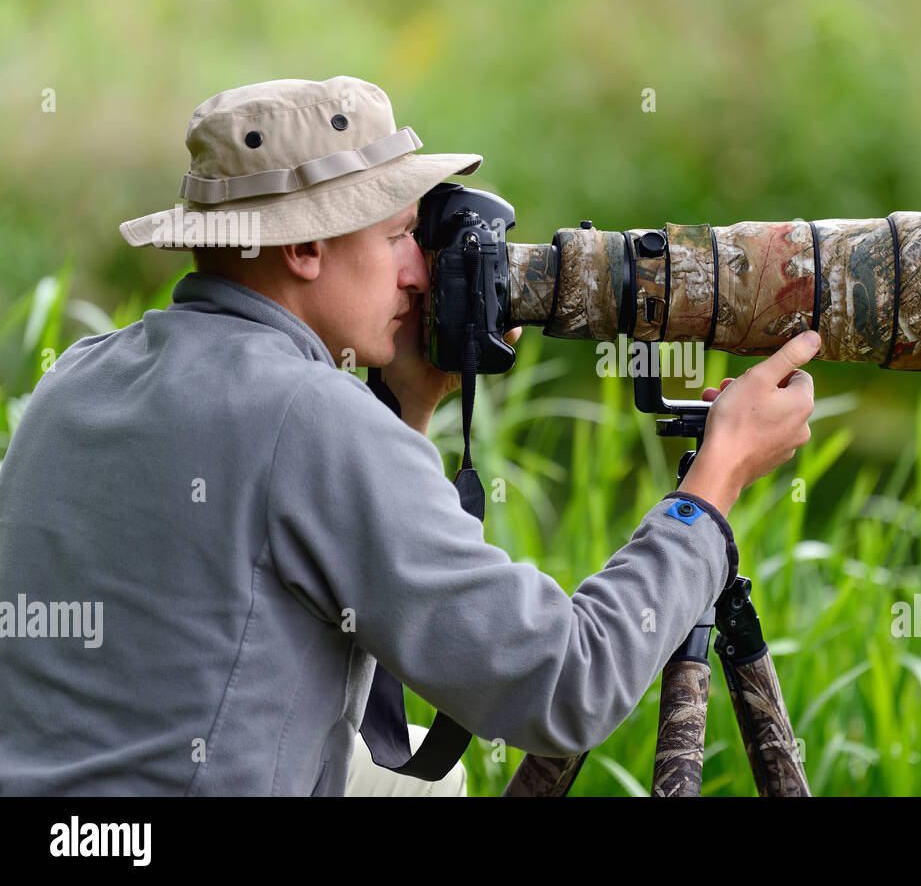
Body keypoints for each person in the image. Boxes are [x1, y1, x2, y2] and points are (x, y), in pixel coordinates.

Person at [0, 76, 818, 796]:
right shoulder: (309, 416)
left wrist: (405, 409)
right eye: (397, 234)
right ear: (307, 246)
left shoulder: (77, 375)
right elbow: (566, 685)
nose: (420, 272)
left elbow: (296, 573)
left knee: (426, 780)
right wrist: (714, 483)